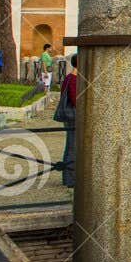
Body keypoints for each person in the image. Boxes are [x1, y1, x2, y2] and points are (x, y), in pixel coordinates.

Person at [55, 53, 77, 187]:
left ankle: (69, 176)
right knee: (73, 146)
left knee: (70, 145)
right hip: (73, 116)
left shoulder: (68, 78)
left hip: (69, 115)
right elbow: (76, 99)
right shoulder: (74, 79)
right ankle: (70, 178)